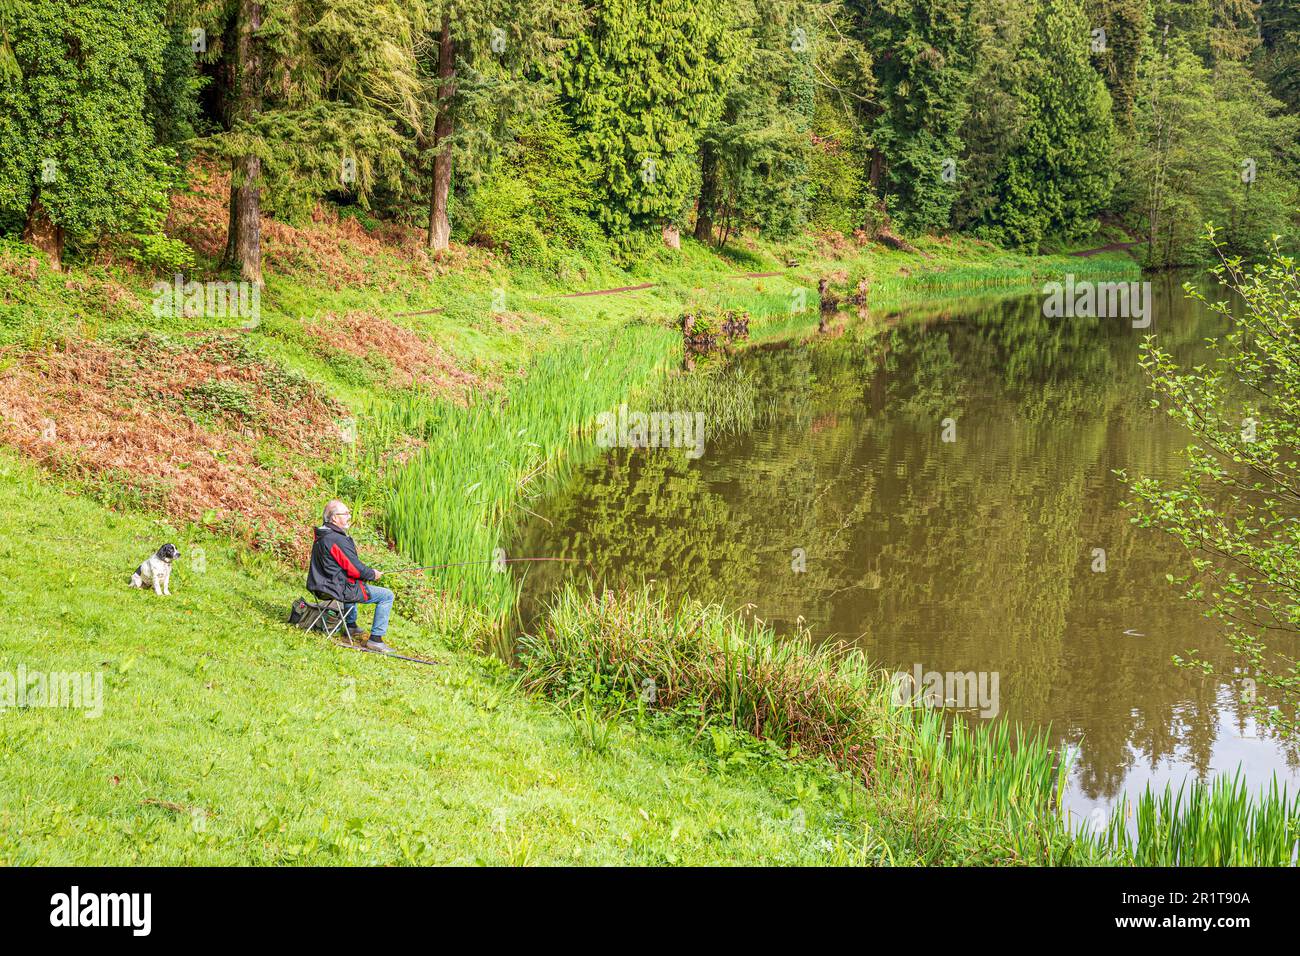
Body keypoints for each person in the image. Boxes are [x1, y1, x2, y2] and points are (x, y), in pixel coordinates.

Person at [306, 499, 395, 653]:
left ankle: (351, 626)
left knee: (350, 581)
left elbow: (347, 567)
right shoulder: (336, 539)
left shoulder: (322, 534)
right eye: (345, 513)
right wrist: (372, 574)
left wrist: (365, 573)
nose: (349, 516)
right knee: (387, 595)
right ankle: (376, 640)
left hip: (320, 585)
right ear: (334, 518)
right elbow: (355, 569)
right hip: (335, 588)